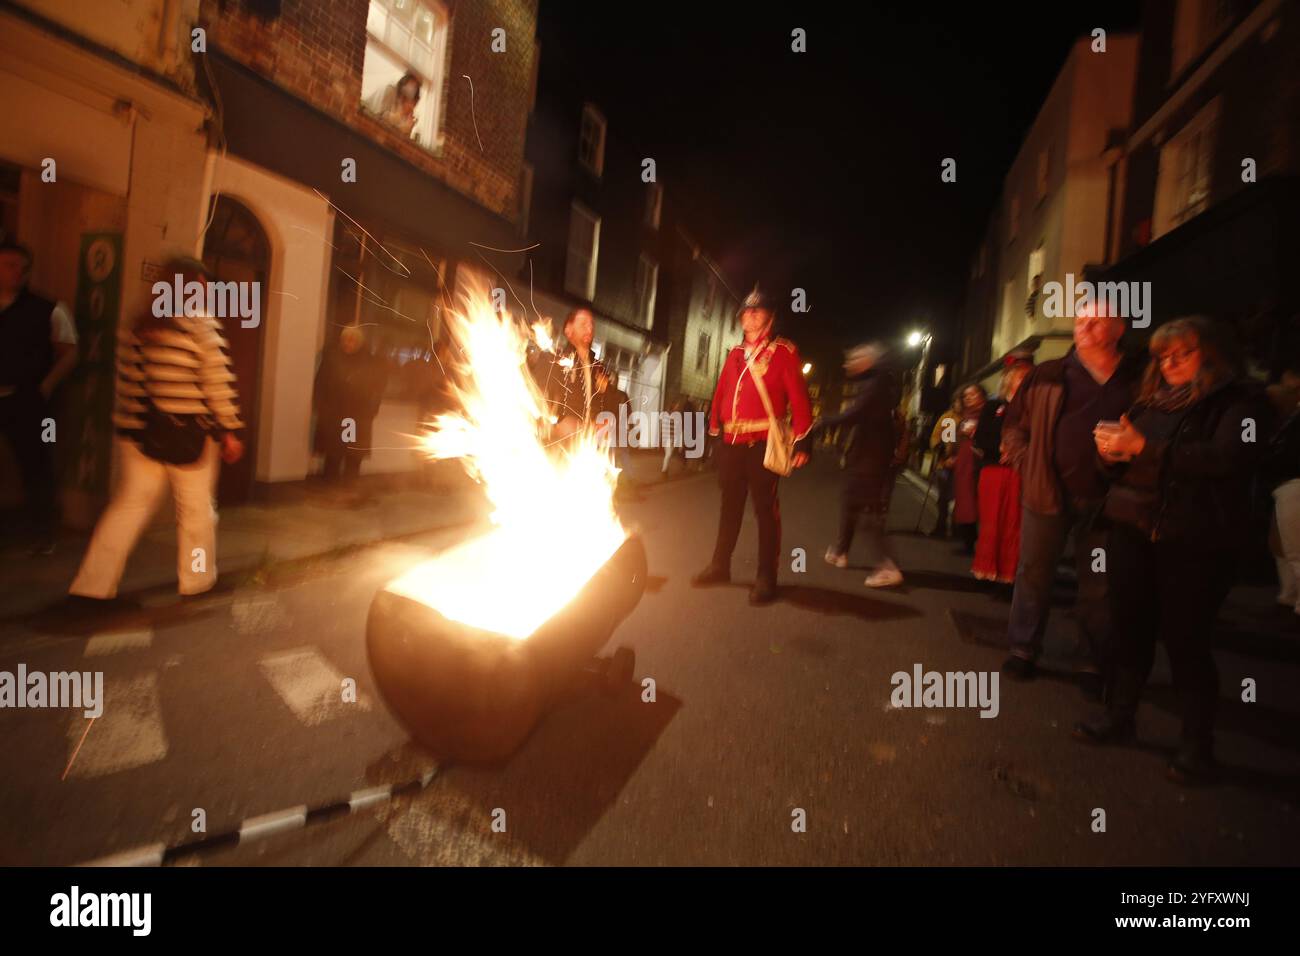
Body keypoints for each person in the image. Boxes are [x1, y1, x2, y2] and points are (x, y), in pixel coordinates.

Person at [1074, 317, 1265, 784]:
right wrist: (1110, 454)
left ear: (1212, 354)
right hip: (1132, 533)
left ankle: (1197, 747)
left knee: (1187, 643)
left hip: (1193, 541)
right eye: (1163, 356)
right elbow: (1119, 468)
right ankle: (1120, 717)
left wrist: (1146, 449)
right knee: (1129, 630)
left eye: (1184, 353)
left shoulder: (1240, 404)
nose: (1171, 363)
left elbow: (1230, 460)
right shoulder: (1149, 402)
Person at [68, 257, 244, 603]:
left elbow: (128, 383)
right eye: (204, 283)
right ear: (192, 285)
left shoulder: (138, 323)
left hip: (139, 436)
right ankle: (197, 581)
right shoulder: (200, 324)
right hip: (189, 435)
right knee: (195, 511)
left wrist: (133, 426)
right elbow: (216, 384)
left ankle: (92, 585)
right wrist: (229, 431)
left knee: (128, 508)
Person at [1000, 305, 1143, 695]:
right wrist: (1026, 462)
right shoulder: (1048, 374)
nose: (1084, 326)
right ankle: (1023, 649)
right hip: (1047, 492)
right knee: (1034, 574)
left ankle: (1091, 661)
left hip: (1107, 502)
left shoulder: (1139, 379)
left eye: (1096, 321)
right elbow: (1014, 424)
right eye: (1081, 319)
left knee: (1099, 584)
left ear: (1119, 329)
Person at [691, 286, 813, 605]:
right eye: (746, 311)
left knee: (765, 511)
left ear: (770, 317)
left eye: (757, 311)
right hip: (732, 442)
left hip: (762, 442)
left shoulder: (783, 352)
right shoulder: (734, 355)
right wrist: (715, 427)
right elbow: (721, 392)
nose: (750, 315)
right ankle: (720, 565)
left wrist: (803, 439)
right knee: (728, 507)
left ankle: (766, 577)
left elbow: (799, 396)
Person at [0, 240, 78, 555]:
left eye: (22, 267)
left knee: (37, 464)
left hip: (28, 401)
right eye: (8, 265)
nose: (16, 273)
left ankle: (44, 533)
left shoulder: (48, 308)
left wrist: (45, 386)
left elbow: (69, 350)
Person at [815, 342, 903, 587]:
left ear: (868, 361)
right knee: (850, 503)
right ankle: (841, 551)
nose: (847, 364)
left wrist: (824, 421)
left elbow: (856, 413)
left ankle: (887, 566)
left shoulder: (875, 385)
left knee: (867, 513)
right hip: (866, 456)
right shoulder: (874, 382)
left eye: (853, 359)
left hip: (870, 459)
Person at [313, 323, 388, 504]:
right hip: (334, 415)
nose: (349, 343)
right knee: (333, 452)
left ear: (359, 342)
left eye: (353, 340)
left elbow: (377, 388)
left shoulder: (368, 362)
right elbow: (320, 384)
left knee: (352, 452)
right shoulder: (332, 358)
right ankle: (330, 489)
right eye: (346, 339)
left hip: (355, 418)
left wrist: (370, 411)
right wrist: (321, 407)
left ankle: (349, 490)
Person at [1264, 356, 1300, 618]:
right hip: (1284, 483)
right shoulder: (1291, 415)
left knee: (1296, 550)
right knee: (1283, 546)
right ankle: (1288, 599)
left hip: (1295, 483)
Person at [951, 384, 987, 554]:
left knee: (975, 502)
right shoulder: (961, 417)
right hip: (963, 464)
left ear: (981, 395)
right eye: (965, 396)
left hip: (978, 464)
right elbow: (951, 439)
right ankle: (967, 540)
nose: (968, 398)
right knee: (964, 500)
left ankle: (976, 542)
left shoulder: (988, 413)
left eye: (972, 394)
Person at [927, 393, 962, 537]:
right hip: (945, 464)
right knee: (943, 498)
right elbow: (938, 438)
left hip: (961, 465)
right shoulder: (949, 418)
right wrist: (943, 453)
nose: (960, 405)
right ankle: (941, 526)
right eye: (958, 402)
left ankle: (956, 528)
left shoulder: (967, 418)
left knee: (960, 498)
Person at [364, 72, 421, 140]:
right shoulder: (389, 91)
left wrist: (406, 130)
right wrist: (401, 127)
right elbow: (376, 122)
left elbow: (395, 141)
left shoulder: (406, 114)